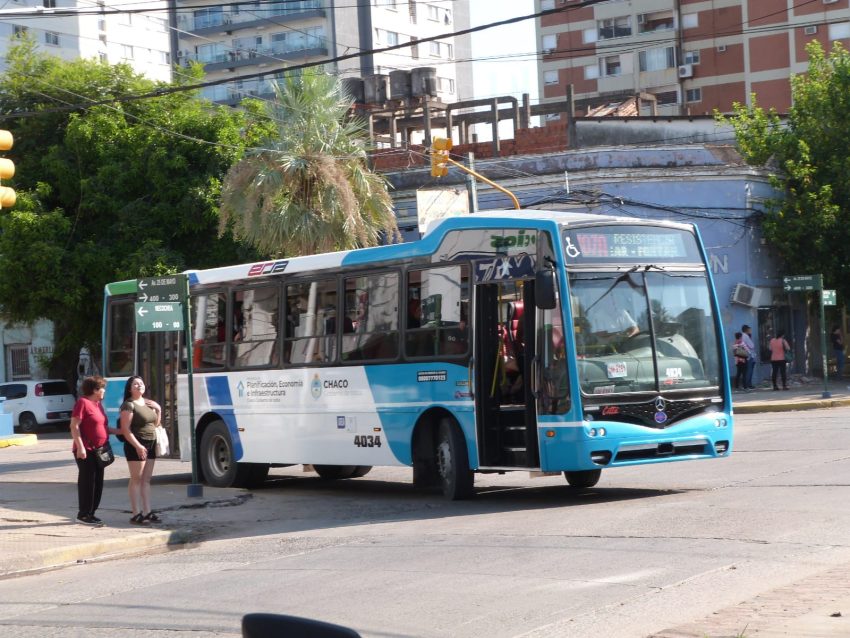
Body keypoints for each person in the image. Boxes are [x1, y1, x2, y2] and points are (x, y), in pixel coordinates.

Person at [70, 375, 118, 526]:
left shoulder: (98, 405)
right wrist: (80, 447)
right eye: (102, 388)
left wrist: (121, 431)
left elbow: (102, 427)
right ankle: (83, 514)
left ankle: (91, 513)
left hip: (100, 450)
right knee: (87, 483)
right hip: (86, 450)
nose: (104, 391)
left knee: (98, 483)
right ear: (95, 390)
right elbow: (74, 426)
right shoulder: (82, 403)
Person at [119, 376, 163, 525]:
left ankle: (147, 511)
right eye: (135, 384)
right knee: (136, 480)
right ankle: (136, 513)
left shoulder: (148, 403)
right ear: (130, 388)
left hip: (151, 443)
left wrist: (158, 409)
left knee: (146, 480)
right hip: (136, 445)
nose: (139, 386)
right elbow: (125, 429)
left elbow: (156, 424)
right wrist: (138, 446)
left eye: (141, 383)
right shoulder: (128, 405)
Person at [741, 324, 757, 390]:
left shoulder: (742, 335)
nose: (750, 331)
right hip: (749, 356)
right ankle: (747, 385)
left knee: (745, 371)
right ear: (747, 330)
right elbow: (752, 346)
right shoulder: (746, 336)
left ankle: (747, 384)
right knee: (749, 371)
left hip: (744, 355)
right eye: (749, 330)